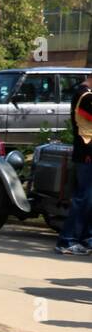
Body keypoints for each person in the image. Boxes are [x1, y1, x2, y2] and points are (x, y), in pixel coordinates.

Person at [59, 71, 92, 255]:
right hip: (87, 151)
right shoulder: (85, 96)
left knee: (89, 199)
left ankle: (87, 239)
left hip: (86, 151)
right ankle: (67, 240)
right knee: (84, 198)